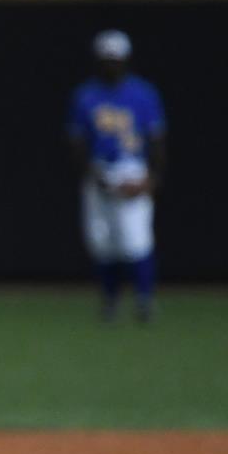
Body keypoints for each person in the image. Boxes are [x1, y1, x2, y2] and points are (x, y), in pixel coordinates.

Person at [67, 29, 167, 323]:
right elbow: (76, 142)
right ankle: (109, 301)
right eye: (106, 59)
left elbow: (158, 140)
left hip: (132, 169)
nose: (111, 64)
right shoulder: (85, 95)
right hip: (99, 170)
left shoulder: (143, 94)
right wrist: (89, 173)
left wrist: (153, 178)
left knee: (136, 239)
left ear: (126, 59)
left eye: (116, 59)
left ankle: (144, 299)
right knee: (102, 241)